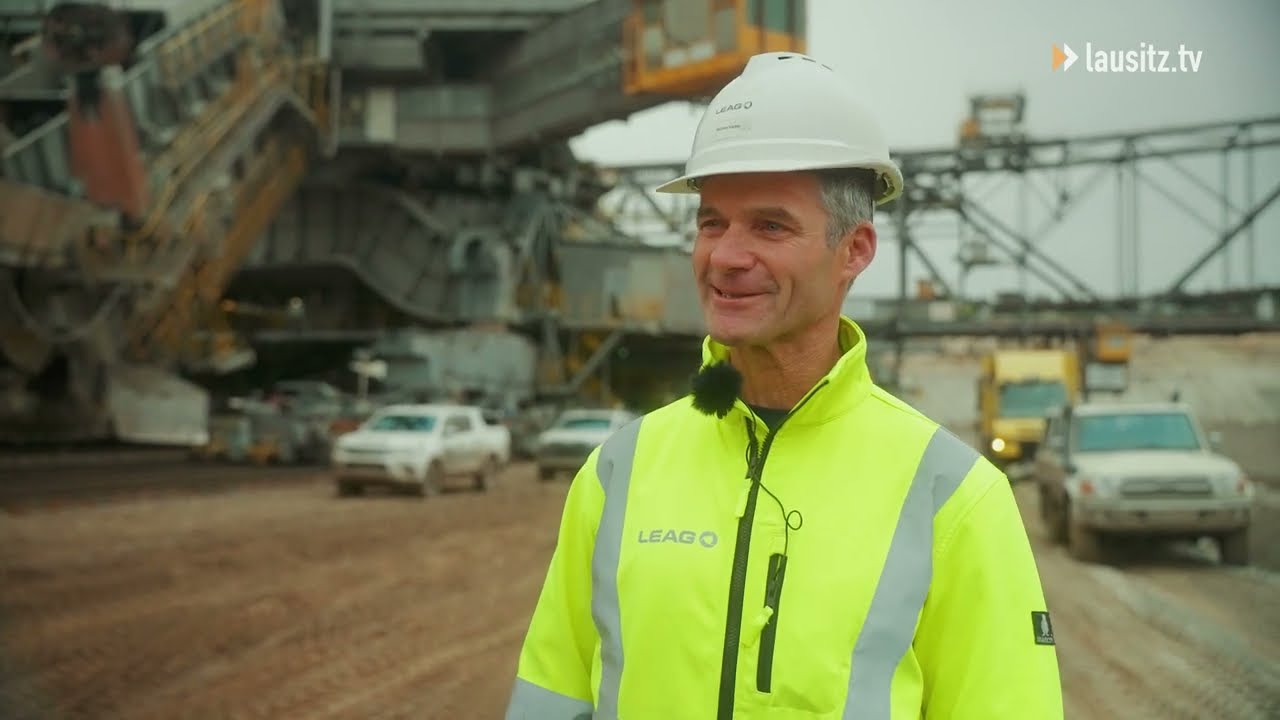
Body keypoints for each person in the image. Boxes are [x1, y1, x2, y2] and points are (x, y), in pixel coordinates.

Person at [505, 52, 1064, 719]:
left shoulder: (955, 498)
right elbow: (552, 695)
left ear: (855, 250)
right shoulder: (616, 474)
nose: (725, 256)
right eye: (711, 222)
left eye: (770, 226)